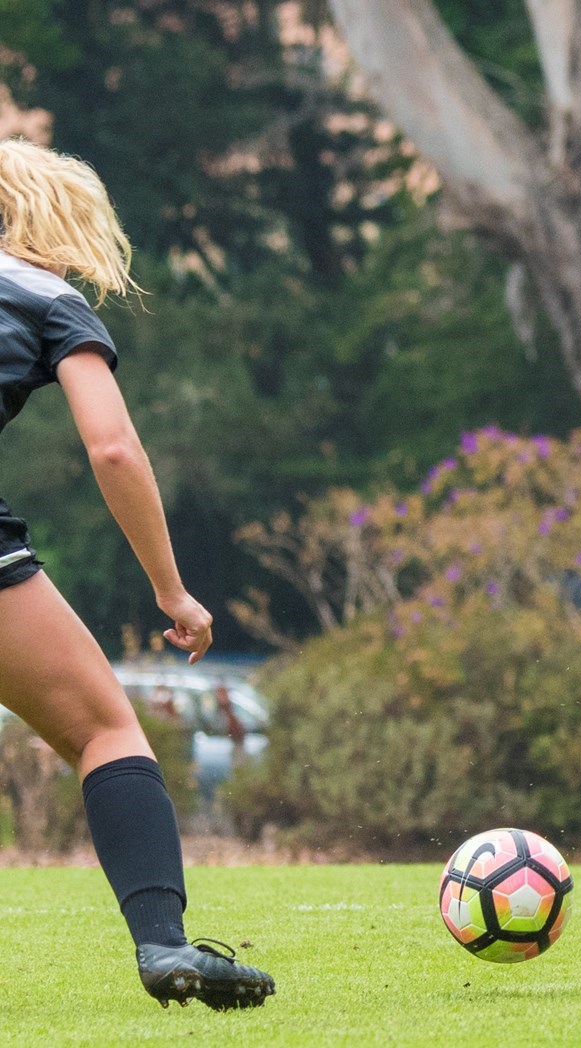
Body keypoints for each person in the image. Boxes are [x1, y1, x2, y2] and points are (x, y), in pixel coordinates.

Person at [0, 137, 274, 1010]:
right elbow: (113, 446)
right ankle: (162, 946)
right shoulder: (49, 298)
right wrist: (171, 590)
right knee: (105, 734)